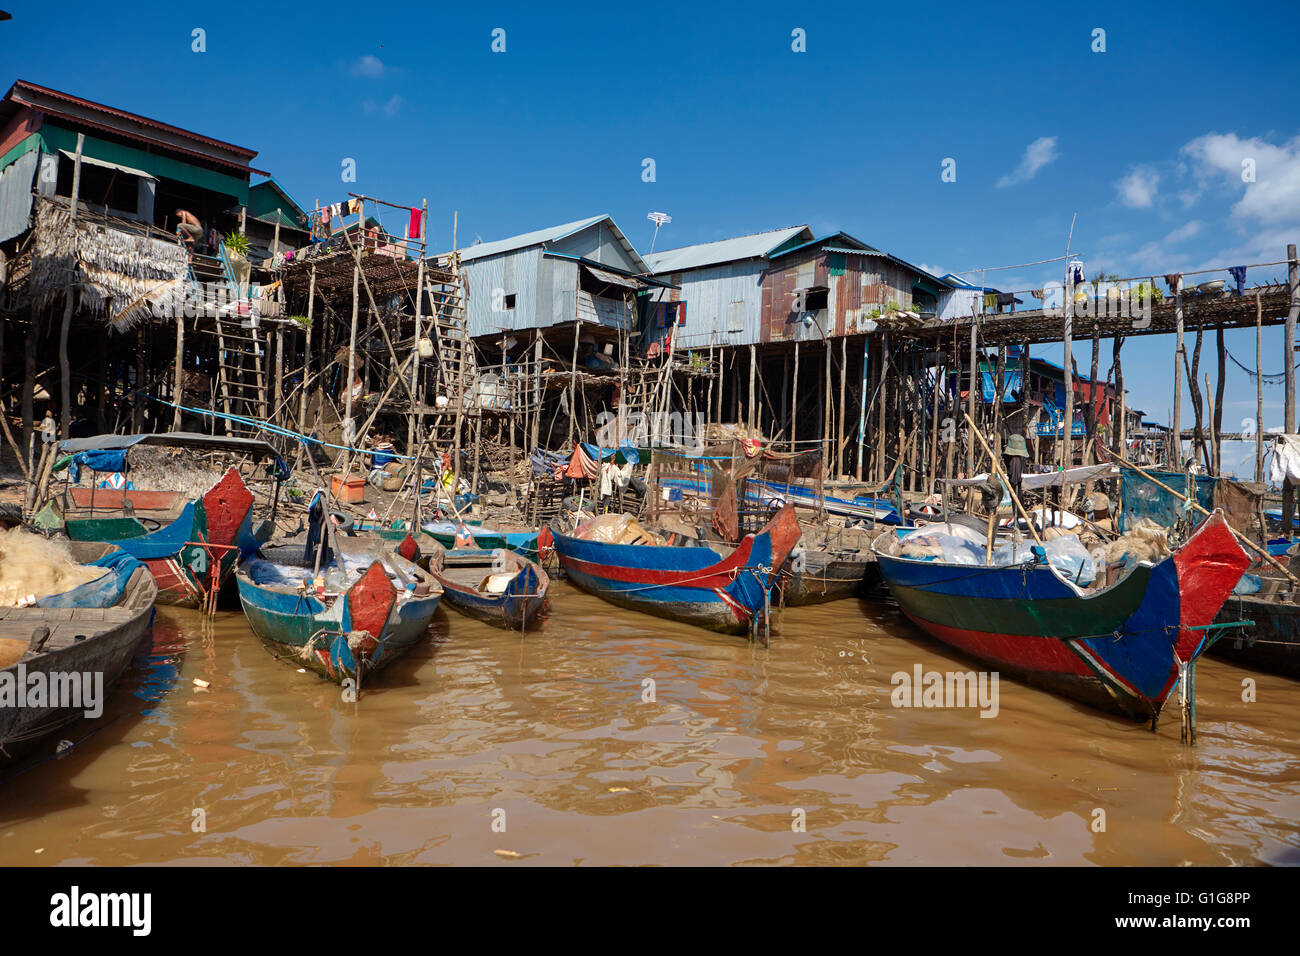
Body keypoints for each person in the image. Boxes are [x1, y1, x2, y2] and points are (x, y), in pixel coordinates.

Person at [1003, 433, 1029, 501]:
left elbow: (1014, 477)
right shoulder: (1014, 460)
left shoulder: (1015, 460)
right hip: (1015, 482)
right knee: (1017, 498)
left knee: (1017, 498)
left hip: (1015, 482)